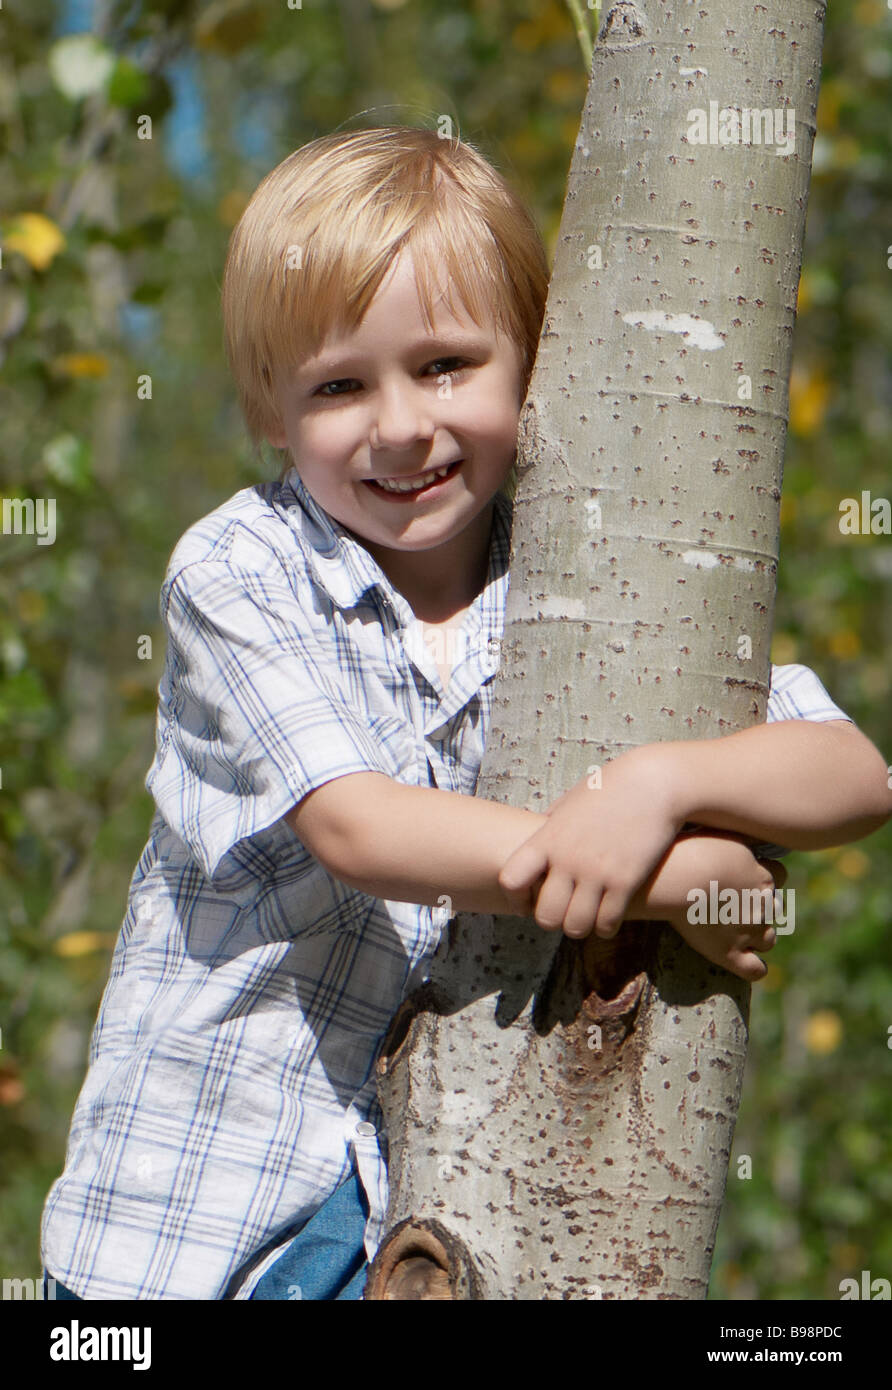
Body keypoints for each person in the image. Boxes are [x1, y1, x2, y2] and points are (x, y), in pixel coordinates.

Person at [40, 126, 892, 1301]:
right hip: (191, 1217)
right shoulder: (235, 572)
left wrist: (655, 789)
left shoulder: (570, 582)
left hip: (409, 1190)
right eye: (338, 385)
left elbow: (853, 770)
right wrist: (655, 875)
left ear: (534, 363)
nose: (397, 424)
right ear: (269, 412)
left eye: (444, 365)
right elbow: (360, 830)